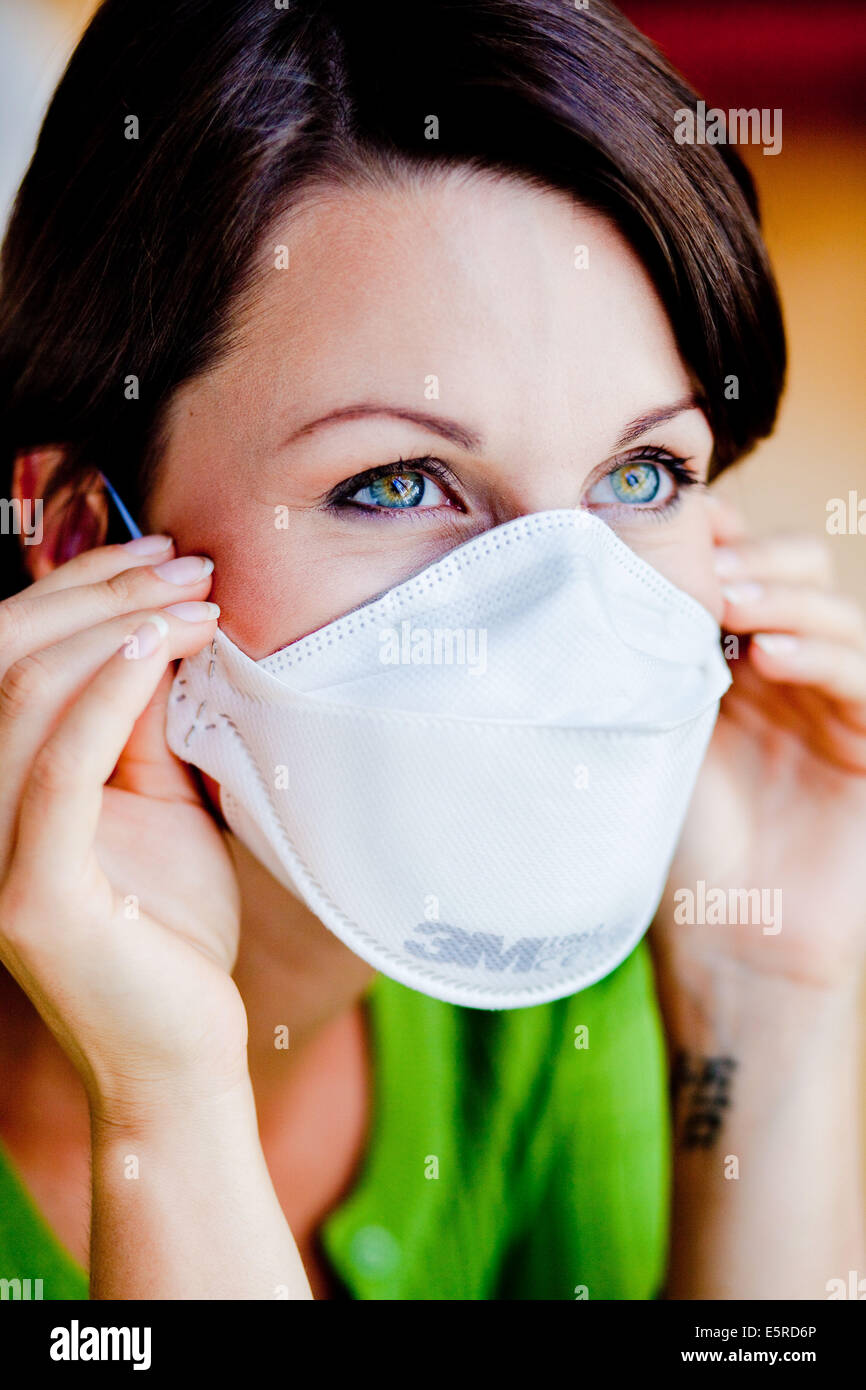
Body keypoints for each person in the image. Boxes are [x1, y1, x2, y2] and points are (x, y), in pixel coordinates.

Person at [0, 0, 863, 1301]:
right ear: (81, 539)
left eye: (641, 472)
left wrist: (766, 998)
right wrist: (165, 1101)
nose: (563, 614)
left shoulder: (564, 981)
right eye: (399, 482)